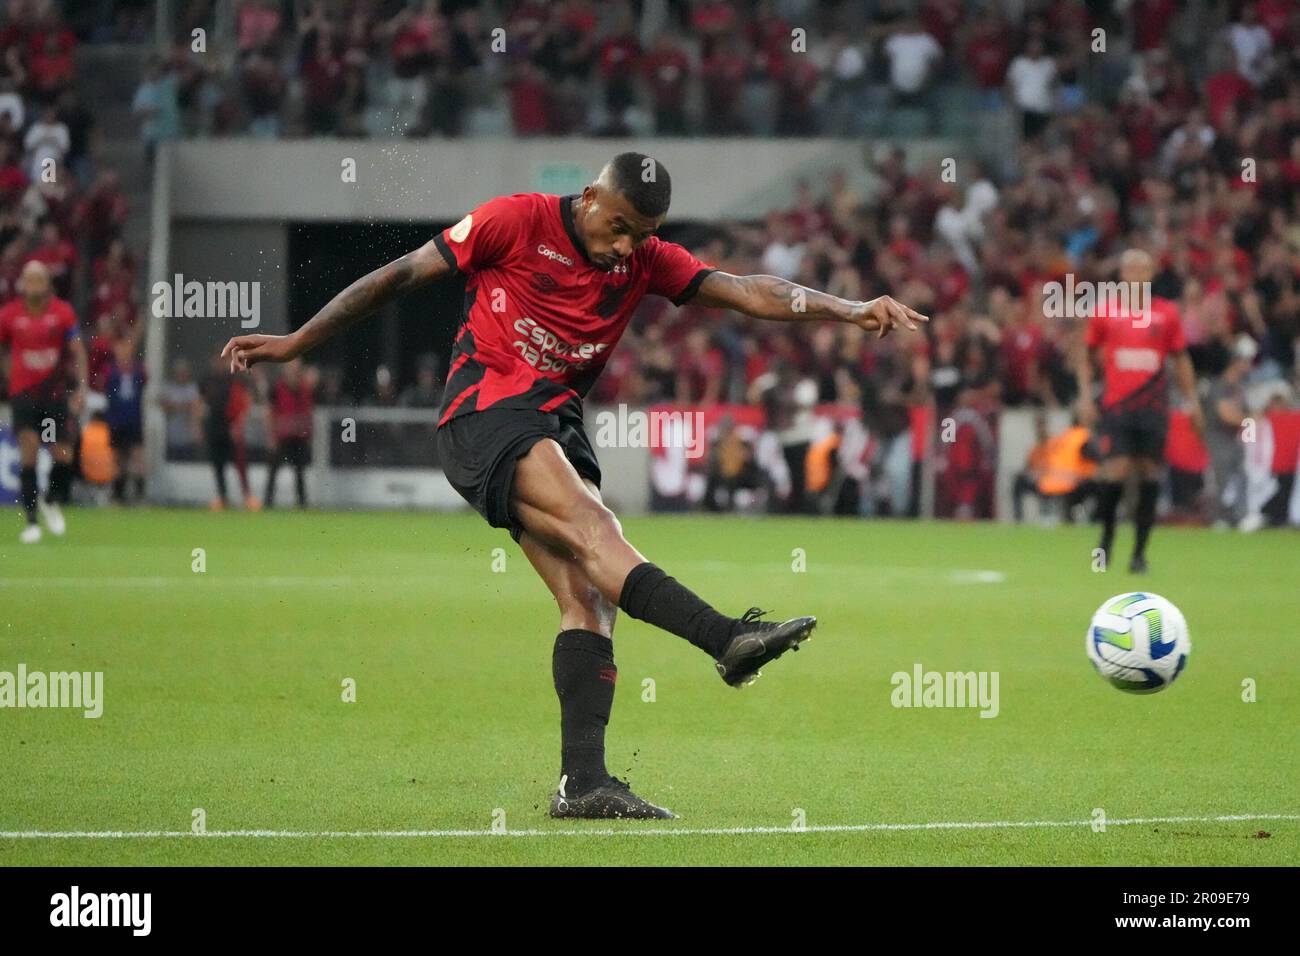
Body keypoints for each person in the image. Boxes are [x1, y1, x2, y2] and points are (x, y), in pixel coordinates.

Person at [220, 153, 927, 819]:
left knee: (587, 597)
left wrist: (849, 307)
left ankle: (582, 782)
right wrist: (297, 342)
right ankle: (724, 640)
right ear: (589, 197)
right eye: (617, 225)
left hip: (555, 421)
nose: (627, 246)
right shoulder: (515, 220)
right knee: (599, 532)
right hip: (487, 407)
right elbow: (401, 277)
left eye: (642, 234)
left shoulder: (646, 260)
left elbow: (744, 291)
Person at [1076, 249, 1203, 572]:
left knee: (1149, 473)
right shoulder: (1106, 312)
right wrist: (1086, 397)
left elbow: (1181, 359)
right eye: (1129, 268)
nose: (1135, 274)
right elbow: (1086, 356)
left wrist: (1192, 402)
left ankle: (1139, 554)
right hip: (1117, 406)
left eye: (1141, 269)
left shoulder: (1166, 313)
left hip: (1154, 407)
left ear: (1151, 274)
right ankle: (1105, 542)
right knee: (1114, 471)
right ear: (1121, 274)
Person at [0, 261, 85, 542]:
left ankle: (50, 499)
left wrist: (82, 388)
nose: (33, 285)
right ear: (23, 284)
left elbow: (77, 350)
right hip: (24, 395)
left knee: (62, 455)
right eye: (29, 280)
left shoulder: (61, 312)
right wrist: (7, 374)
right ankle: (32, 522)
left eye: (39, 279)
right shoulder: (10, 314)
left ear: (47, 284)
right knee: (29, 449)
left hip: (53, 396)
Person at [264, 358, 313, 508]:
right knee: (273, 470)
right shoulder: (276, 388)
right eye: (291, 368)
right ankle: (268, 502)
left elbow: (308, 413)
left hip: (298, 436)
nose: (294, 371)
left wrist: (309, 434)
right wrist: (270, 436)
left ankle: (302, 503)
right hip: (281, 436)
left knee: (299, 472)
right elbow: (268, 412)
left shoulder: (305, 388)